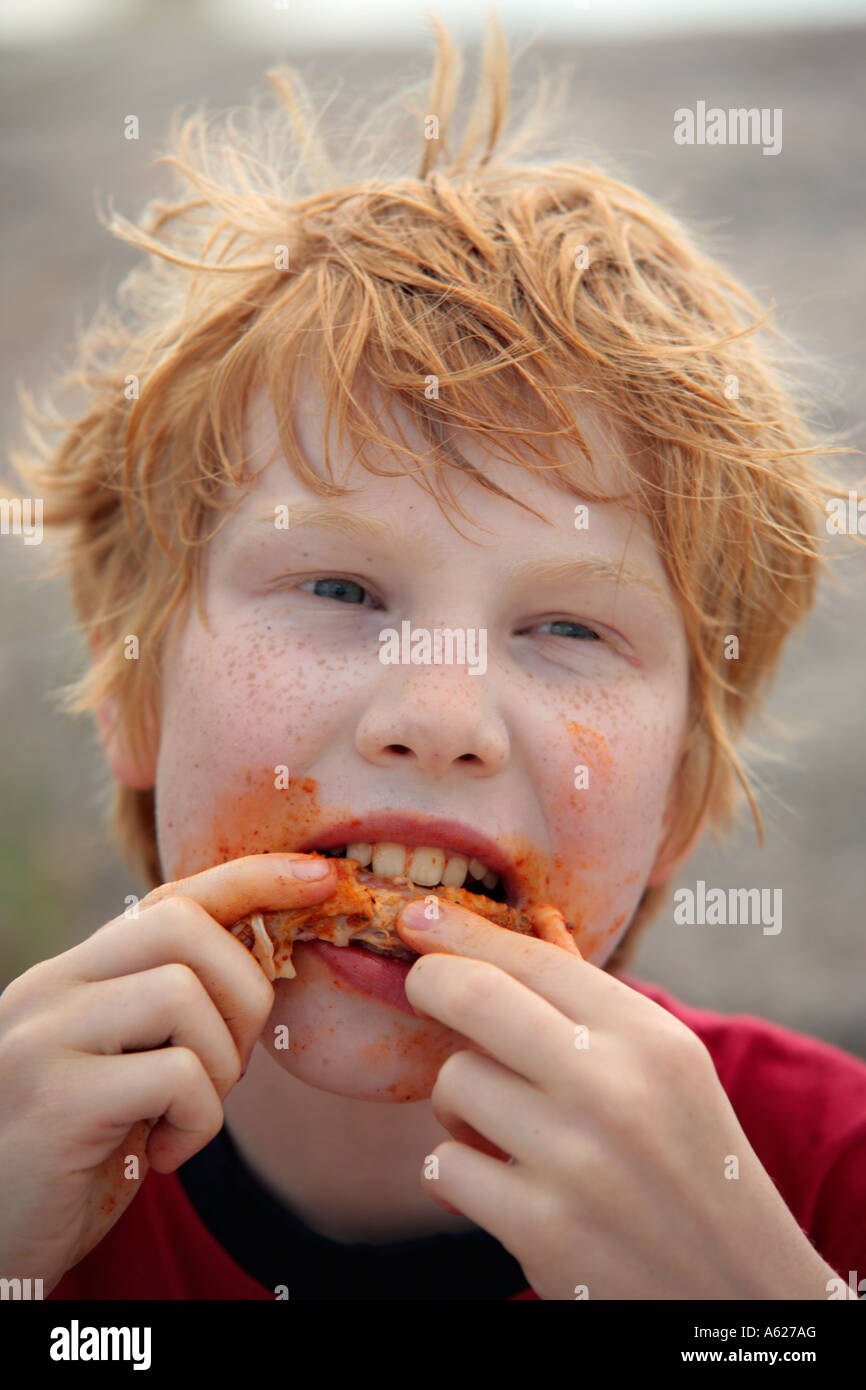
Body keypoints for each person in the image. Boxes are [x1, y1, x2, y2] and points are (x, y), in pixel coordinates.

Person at [3, 15, 863, 1301]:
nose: (439, 712)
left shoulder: (818, 1183)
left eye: (568, 627)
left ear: (680, 798)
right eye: (339, 585)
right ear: (133, 686)